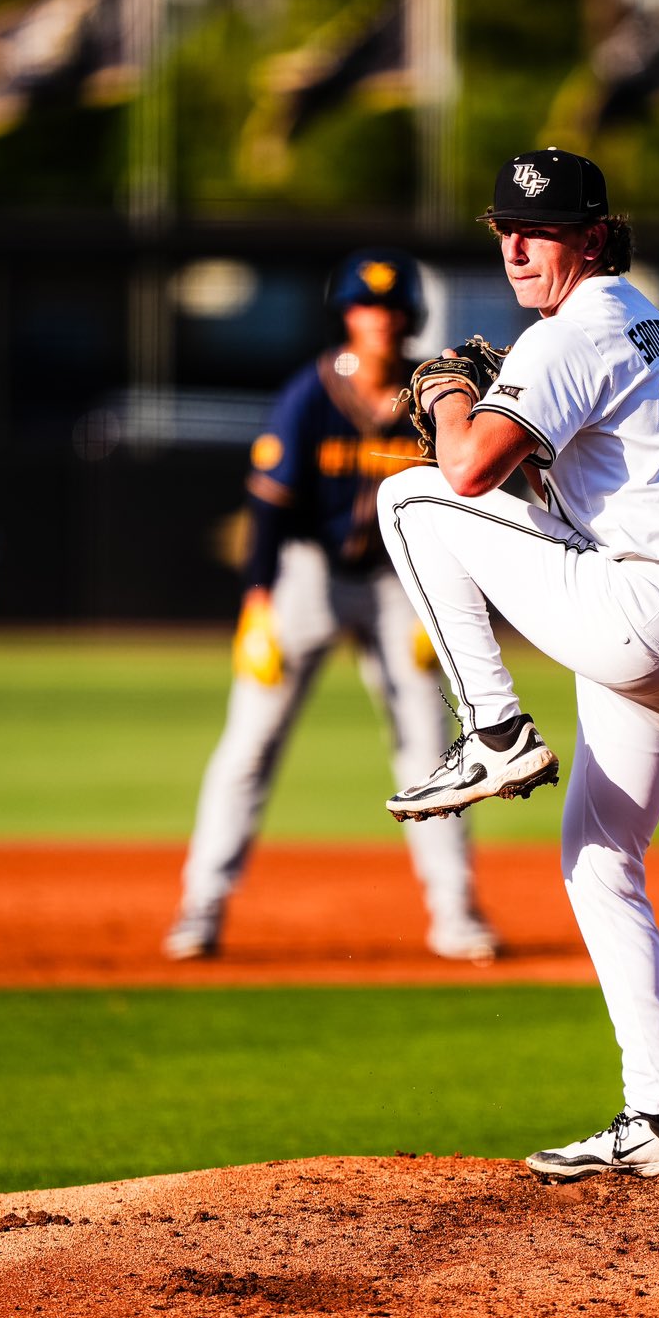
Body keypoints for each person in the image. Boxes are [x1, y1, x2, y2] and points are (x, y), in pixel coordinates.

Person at [376, 149, 659, 1180]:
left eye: (536, 229)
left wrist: (452, 390)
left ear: (591, 236)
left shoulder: (570, 328)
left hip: (638, 610)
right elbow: (565, 478)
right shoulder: (636, 313)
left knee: (407, 498)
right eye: (502, 227)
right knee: (597, 861)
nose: (514, 245)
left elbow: (465, 464)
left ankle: (492, 730)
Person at [167, 250, 499, 965]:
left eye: (390, 307)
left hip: (400, 584)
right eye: (364, 306)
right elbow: (268, 509)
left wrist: (450, 596)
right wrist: (257, 605)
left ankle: (456, 910)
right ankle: (202, 906)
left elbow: (472, 504)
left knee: (433, 748)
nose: (378, 319)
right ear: (346, 315)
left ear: (409, 317)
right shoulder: (311, 394)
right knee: (251, 741)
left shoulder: (434, 394)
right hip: (309, 576)